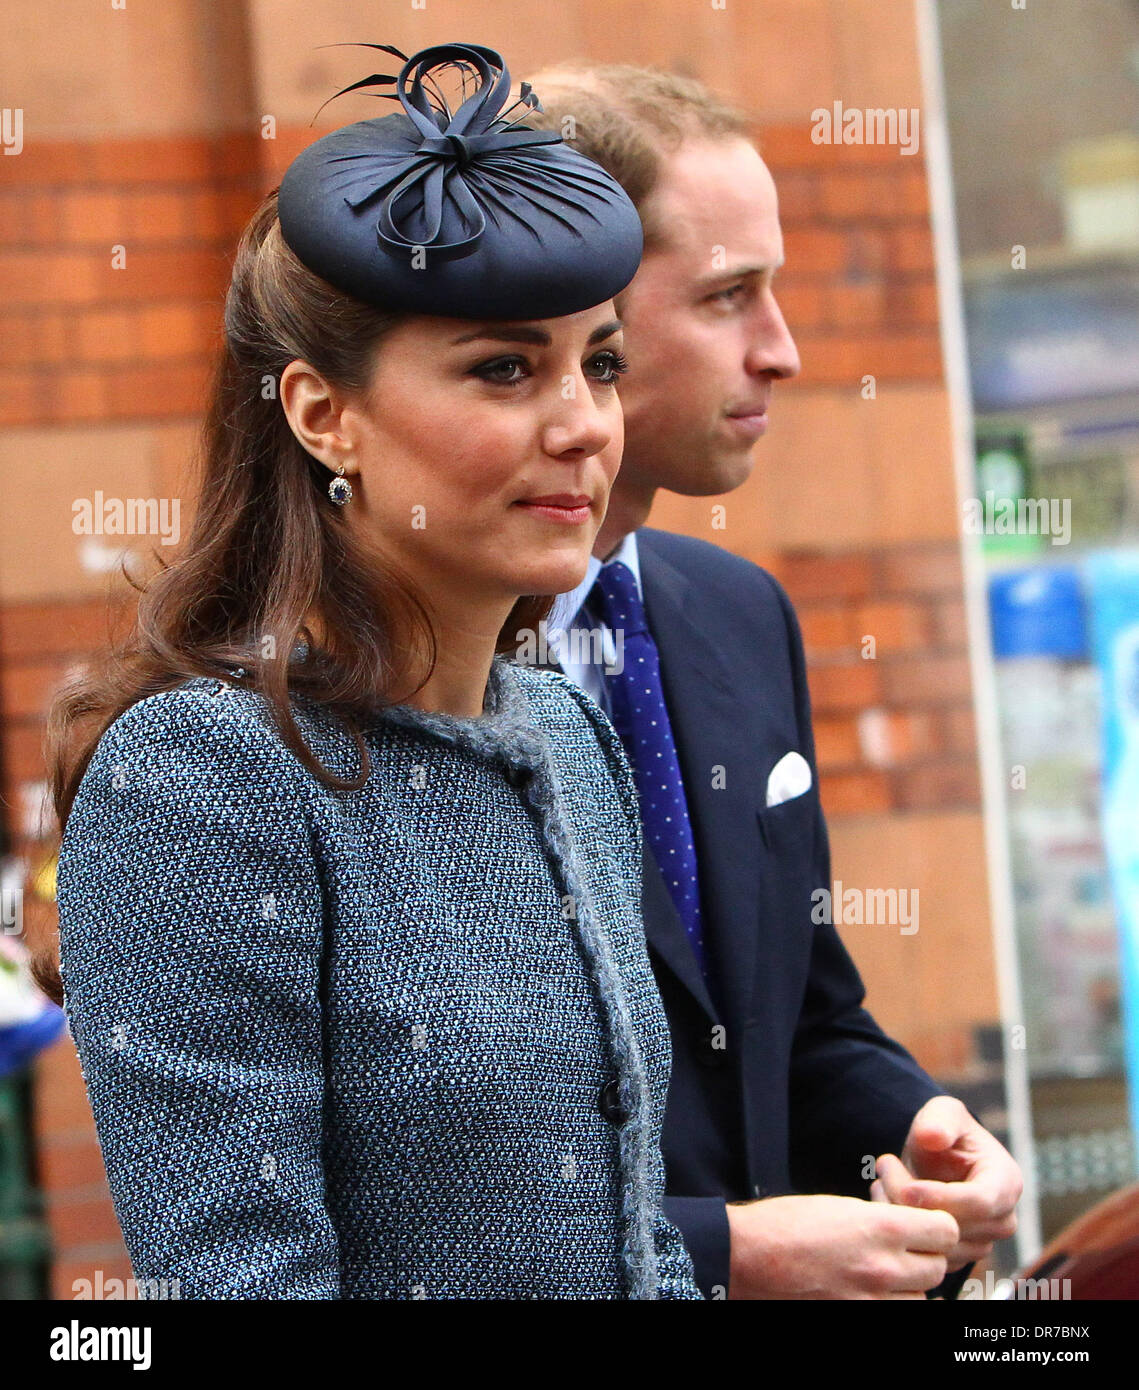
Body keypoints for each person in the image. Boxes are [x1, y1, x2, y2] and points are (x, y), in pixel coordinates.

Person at [43, 41, 702, 1301]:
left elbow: (634, 1247)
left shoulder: (568, 734)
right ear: (318, 411)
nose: (582, 423)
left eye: (600, 362)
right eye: (503, 368)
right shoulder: (204, 777)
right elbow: (241, 1284)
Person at [521, 62, 1023, 1300]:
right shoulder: (392, 673)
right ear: (577, 319)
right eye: (728, 295)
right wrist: (729, 1256)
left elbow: (794, 1019)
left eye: (775, 288)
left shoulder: (733, 614)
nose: (784, 351)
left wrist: (915, 1134)